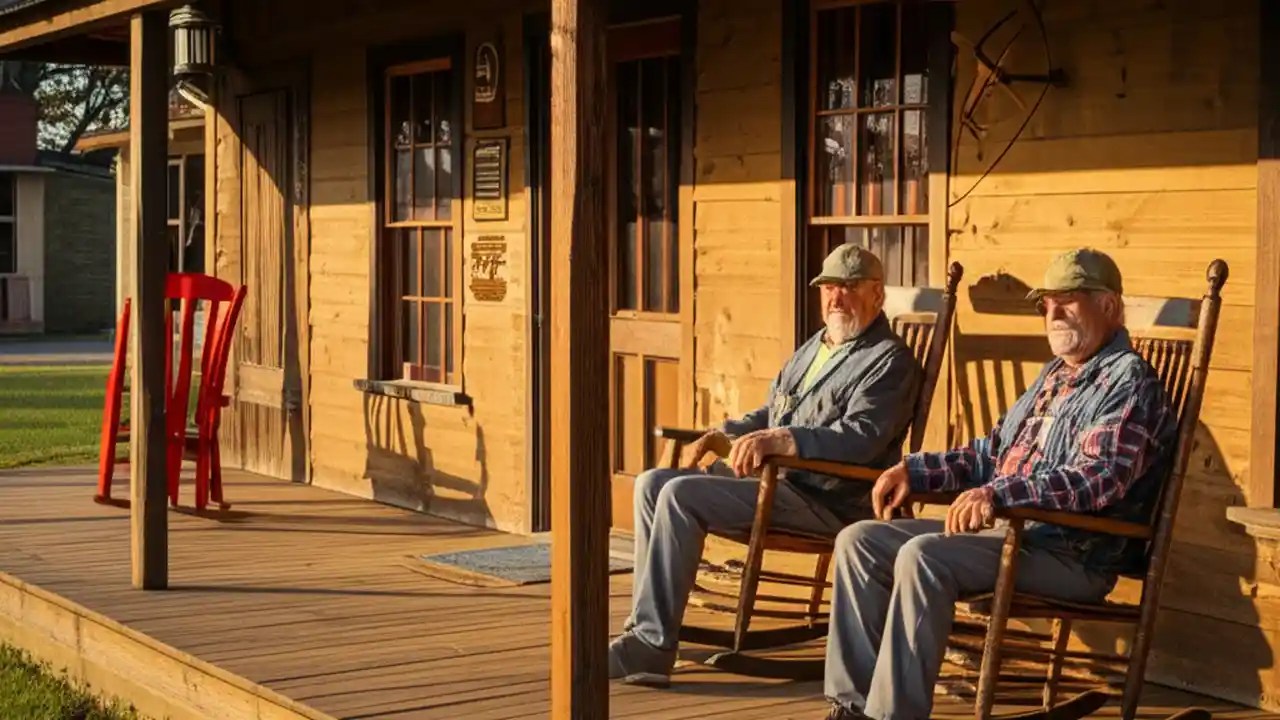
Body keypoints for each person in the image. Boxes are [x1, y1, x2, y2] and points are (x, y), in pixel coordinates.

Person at [821, 248, 1178, 720]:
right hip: (1014, 536)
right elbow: (991, 452)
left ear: (1108, 307)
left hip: (1072, 553)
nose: (1052, 314)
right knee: (860, 540)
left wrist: (999, 494)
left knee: (924, 556)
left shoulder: (1129, 383)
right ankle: (851, 707)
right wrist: (915, 469)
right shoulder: (1056, 375)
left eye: (1067, 301)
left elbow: (1099, 477)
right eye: (1045, 304)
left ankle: (894, 715)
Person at [608, 244, 923, 688]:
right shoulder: (816, 347)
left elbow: (862, 438)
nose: (836, 299)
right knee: (652, 482)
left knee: (681, 495)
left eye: (849, 288)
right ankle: (646, 629)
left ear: (877, 294)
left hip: (827, 498)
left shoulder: (889, 361)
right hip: (778, 484)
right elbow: (773, 413)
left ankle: (653, 644)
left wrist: (786, 439)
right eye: (829, 287)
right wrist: (726, 434)